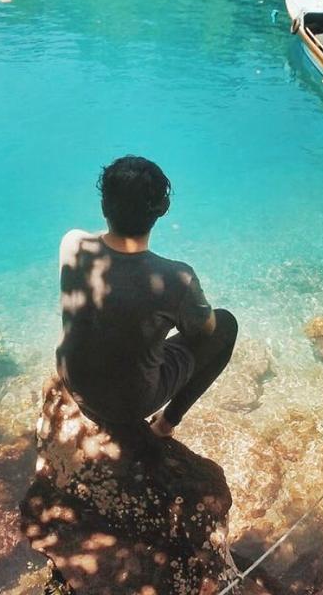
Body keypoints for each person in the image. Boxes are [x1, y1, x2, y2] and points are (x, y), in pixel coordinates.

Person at [56, 155, 237, 438]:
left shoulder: (72, 243)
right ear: (162, 210)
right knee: (226, 324)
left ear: (104, 205)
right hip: (127, 408)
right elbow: (206, 331)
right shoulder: (176, 278)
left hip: (74, 384)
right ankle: (165, 425)